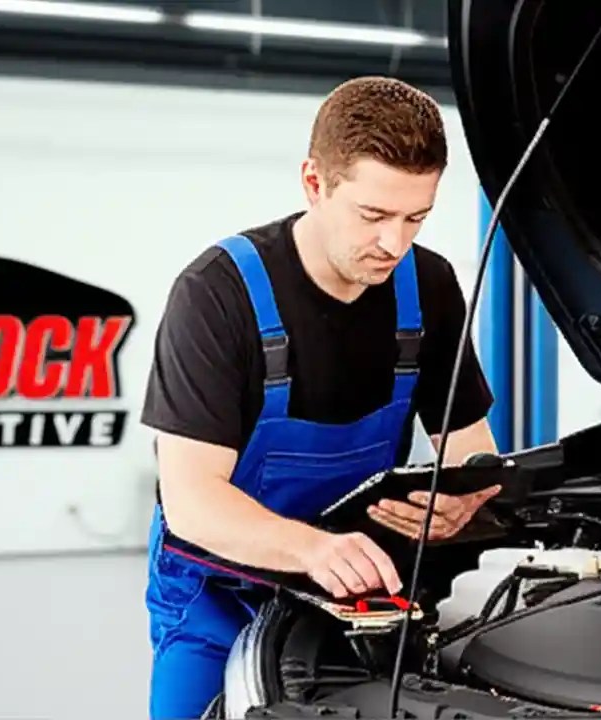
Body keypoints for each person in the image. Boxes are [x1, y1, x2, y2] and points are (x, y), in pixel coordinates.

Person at [140, 75, 501, 719]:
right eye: (373, 216)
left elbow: (474, 454)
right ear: (314, 181)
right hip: (216, 596)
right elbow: (192, 501)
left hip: (362, 599)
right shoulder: (218, 295)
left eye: (416, 217)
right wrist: (313, 549)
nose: (395, 243)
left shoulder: (431, 289)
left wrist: (462, 502)